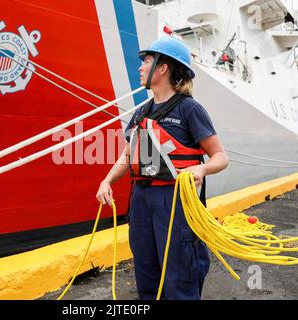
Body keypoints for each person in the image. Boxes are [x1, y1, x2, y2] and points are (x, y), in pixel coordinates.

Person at [96, 36, 229, 300]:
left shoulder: (189, 110)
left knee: (180, 274)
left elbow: (220, 156)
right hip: (142, 201)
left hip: (176, 201)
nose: (140, 67)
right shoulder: (140, 113)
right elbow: (127, 156)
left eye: (146, 61)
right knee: (146, 272)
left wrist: (201, 170)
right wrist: (106, 181)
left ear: (162, 67)